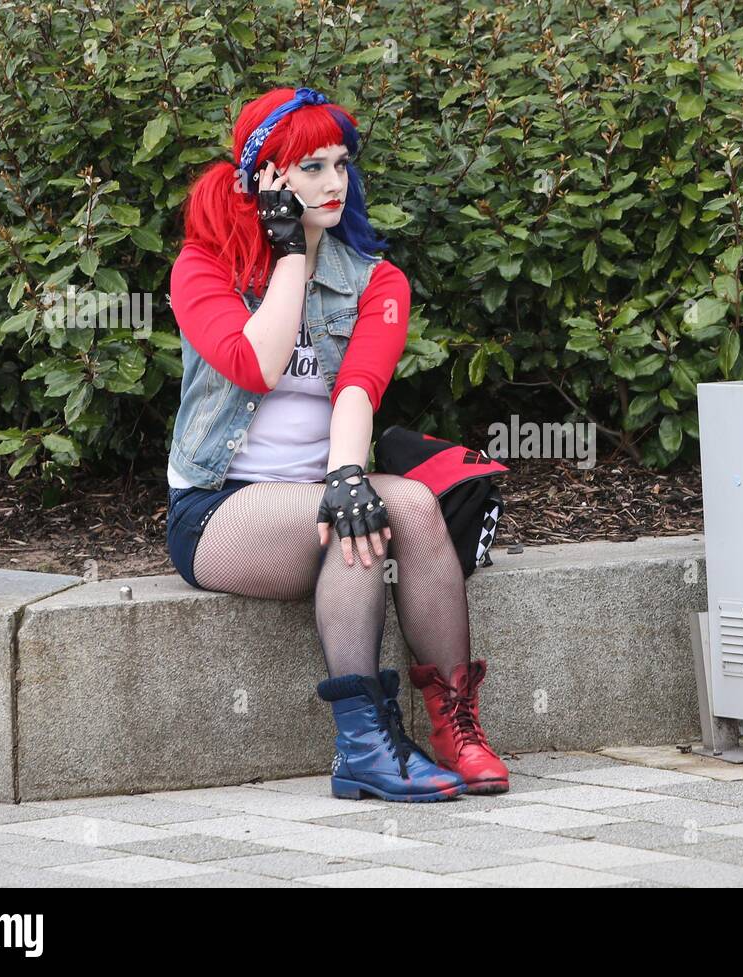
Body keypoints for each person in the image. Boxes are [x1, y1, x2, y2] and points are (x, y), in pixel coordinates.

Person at [164, 86, 509, 802]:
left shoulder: (375, 282)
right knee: (362, 515)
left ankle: (451, 725)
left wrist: (349, 472)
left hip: (322, 490)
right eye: (308, 166)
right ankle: (366, 746)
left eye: (339, 165)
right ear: (265, 177)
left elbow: (358, 387)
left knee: (396, 507)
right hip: (219, 511)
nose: (331, 182)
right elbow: (255, 363)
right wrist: (289, 251)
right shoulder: (204, 268)